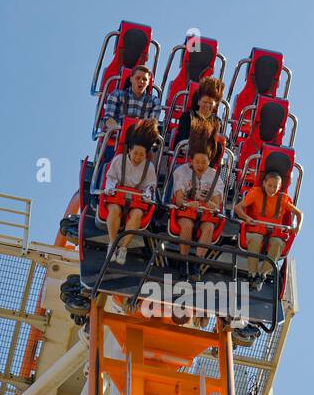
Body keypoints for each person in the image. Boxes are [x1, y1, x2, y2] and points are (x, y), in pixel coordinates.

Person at [102, 118, 160, 265]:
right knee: (114, 209)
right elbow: (110, 177)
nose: (138, 157)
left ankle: (123, 247)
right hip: (118, 196)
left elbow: (150, 186)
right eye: (135, 153)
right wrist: (110, 188)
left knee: (137, 214)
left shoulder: (149, 167)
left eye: (141, 155)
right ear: (129, 150)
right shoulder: (119, 160)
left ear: (146, 155)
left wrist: (147, 194)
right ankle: (112, 244)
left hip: (136, 200)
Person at [235, 167, 303, 283]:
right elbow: (238, 208)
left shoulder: (283, 199)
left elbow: (299, 213)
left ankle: (263, 274)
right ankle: (252, 274)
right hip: (257, 230)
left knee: (277, 243)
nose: (272, 189)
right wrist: (246, 218)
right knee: (255, 238)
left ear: (279, 187)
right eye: (269, 185)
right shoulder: (256, 193)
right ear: (264, 183)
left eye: (275, 187)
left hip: (275, 234)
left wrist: (297, 228)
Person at [171, 120, 225, 266]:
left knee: (209, 227)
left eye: (204, 162)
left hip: (205, 214)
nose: (200, 166)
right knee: (187, 225)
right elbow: (178, 200)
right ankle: (184, 261)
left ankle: (197, 262)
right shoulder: (181, 171)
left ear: (209, 161)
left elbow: (216, 204)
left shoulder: (215, 176)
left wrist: (211, 205)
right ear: (191, 161)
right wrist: (189, 204)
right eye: (197, 162)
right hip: (186, 211)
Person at [101, 64, 161, 134]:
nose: (141, 81)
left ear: (148, 82)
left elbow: (151, 127)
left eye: (144, 79)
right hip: (117, 134)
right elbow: (108, 120)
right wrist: (122, 130)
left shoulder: (154, 101)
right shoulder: (117, 95)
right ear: (131, 79)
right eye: (138, 78)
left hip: (140, 137)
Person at [172, 75, 224, 148]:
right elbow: (181, 140)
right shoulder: (187, 117)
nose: (207, 106)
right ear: (199, 102)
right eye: (205, 102)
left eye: (210, 103)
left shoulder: (217, 122)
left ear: (215, 105)